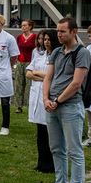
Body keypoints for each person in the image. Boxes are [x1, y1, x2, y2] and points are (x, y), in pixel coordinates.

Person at [36, 17, 89, 183]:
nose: (59, 34)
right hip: (52, 106)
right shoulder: (57, 52)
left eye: (63, 31)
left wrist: (57, 101)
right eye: (58, 31)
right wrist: (46, 99)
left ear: (74, 32)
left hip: (70, 106)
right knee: (56, 148)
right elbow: (48, 77)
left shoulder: (82, 53)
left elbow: (76, 83)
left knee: (74, 150)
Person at [26, 29, 58, 173]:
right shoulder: (39, 55)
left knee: (50, 134)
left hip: (50, 96)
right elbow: (28, 73)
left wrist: (38, 74)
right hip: (37, 96)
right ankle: (41, 163)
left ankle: (50, 165)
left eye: (48, 39)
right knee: (40, 134)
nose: (46, 42)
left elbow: (55, 76)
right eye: (44, 39)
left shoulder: (58, 56)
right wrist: (44, 77)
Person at [14, 19, 37, 114]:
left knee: (29, 84)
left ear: (30, 26)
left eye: (25, 25)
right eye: (22, 25)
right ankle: (18, 106)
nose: (23, 27)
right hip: (20, 62)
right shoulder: (19, 37)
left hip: (30, 62)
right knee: (18, 84)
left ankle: (29, 105)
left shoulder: (34, 37)